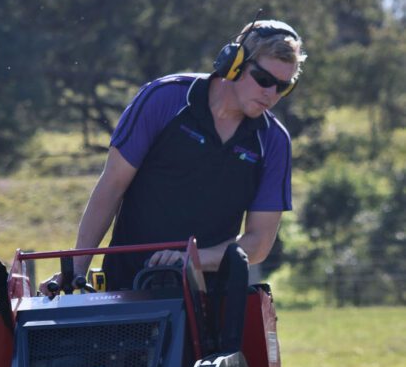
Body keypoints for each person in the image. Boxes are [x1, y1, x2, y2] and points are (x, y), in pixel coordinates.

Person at [62, 18, 306, 291]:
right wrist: (77, 269)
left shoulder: (274, 141)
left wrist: (192, 259)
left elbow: (258, 243)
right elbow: (111, 187)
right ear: (234, 63)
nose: (271, 94)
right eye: (263, 79)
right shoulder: (163, 99)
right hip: (126, 289)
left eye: (283, 87)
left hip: (212, 302)